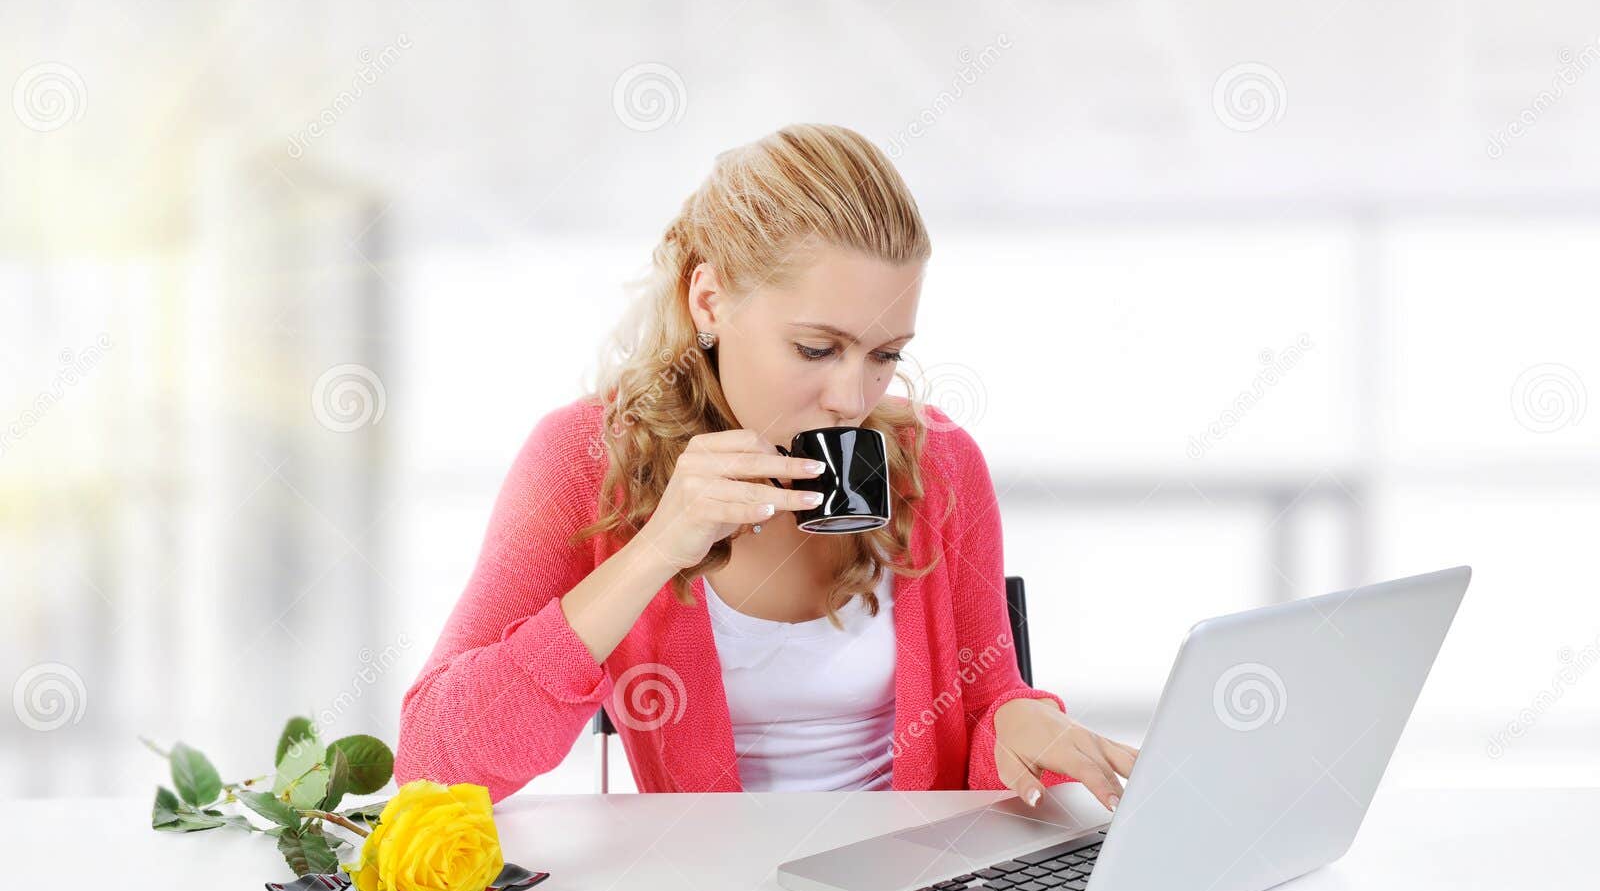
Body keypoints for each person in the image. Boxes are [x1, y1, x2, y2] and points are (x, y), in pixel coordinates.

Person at [395, 123, 1137, 806]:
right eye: (817, 349)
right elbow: (433, 763)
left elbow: (985, 709)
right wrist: (656, 547)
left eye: (885, 355)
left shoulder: (937, 464)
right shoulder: (587, 459)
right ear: (710, 299)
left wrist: (1019, 721)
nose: (852, 397)